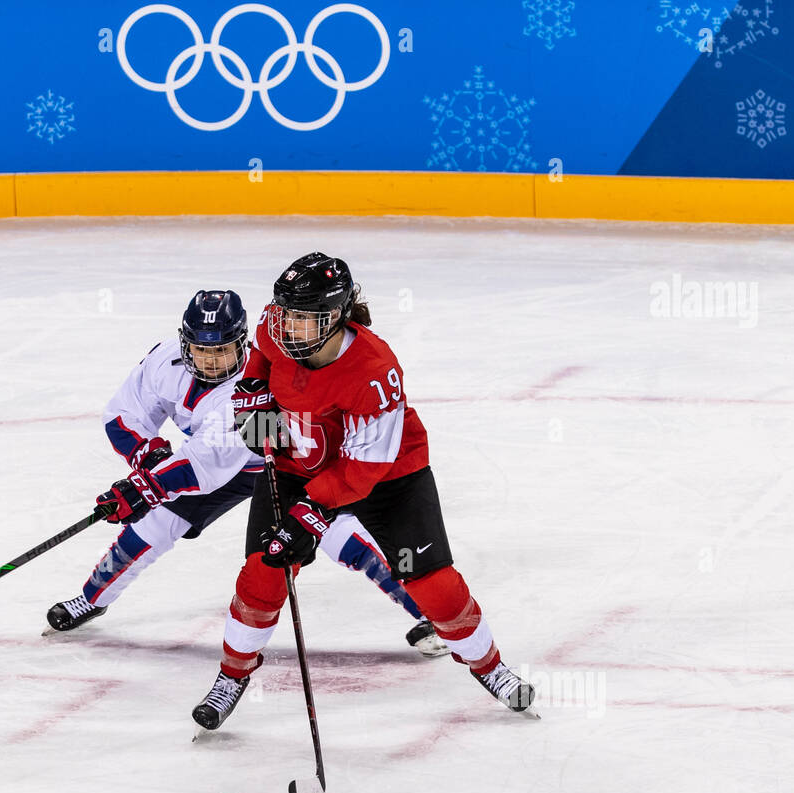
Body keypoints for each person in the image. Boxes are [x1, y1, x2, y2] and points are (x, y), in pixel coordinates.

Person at [191, 255, 536, 731]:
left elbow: (362, 469)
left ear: (335, 317)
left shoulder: (373, 371)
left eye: (303, 317)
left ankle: (488, 666)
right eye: (284, 313)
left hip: (388, 478)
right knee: (262, 575)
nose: (288, 326)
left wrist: (309, 515)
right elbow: (262, 359)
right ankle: (232, 674)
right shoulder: (278, 326)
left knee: (432, 585)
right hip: (297, 466)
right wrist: (253, 394)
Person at [46, 289, 447, 659]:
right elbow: (123, 413)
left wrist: (148, 485)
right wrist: (146, 455)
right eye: (202, 350)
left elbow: (210, 459)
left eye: (223, 350)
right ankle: (91, 599)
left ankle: (429, 615)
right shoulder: (163, 360)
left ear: (243, 344)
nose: (213, 360)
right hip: (206, 466)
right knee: (151, 528)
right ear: (185, 343)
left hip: (280, 463)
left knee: (342, 539)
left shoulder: (251, 381)